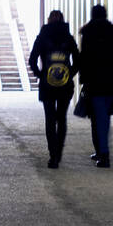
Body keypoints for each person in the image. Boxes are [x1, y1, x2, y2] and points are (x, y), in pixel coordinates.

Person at [77, 4, 113, 168]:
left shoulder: (87, 32)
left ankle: (103, 154)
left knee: (98, 119)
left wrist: (84, 79)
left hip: (94, 83)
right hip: (111, 83)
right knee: (103, 118)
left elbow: (83, 59)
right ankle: (100, 151)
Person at [27, 10, 81, 168]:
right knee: (61, 118)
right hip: (64, 85)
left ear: (49, 20)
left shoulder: (43, 36)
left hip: (47, 84)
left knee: (50, 120)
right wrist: (69, 74)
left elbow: (32, 59)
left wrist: (40, 74)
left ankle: (53, 156)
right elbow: (77, 60)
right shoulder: (68, 37)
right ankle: (59, 153)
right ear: (63, 20)